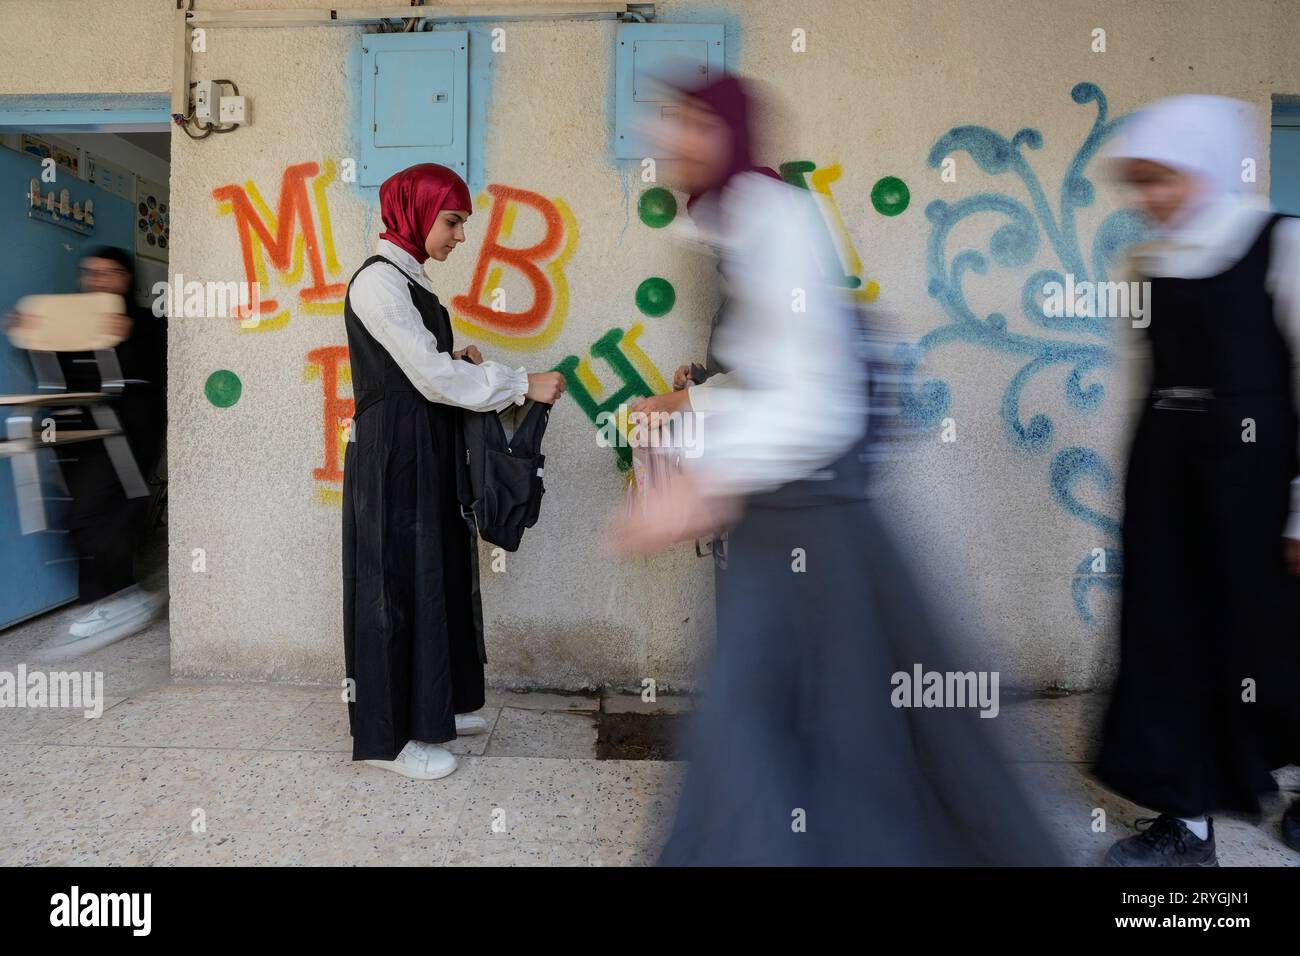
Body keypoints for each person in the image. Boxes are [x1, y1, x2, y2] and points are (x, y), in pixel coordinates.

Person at [612, 76, 1062, 866]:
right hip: (783, 521)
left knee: (816, 728)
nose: (673, 147)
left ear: (732, 134)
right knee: (784, 723)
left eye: (693, 128)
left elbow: (817, 402)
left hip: (810, 522)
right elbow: (774, 381)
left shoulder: (773, 221)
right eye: (670, 129)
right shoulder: (733, 225)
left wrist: (705, 479)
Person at [1095, 95, 1300, 865]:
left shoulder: (1282, 245)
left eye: (1164, 178)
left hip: (1260, 473)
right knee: (1168, 637)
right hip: (1169, 472)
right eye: (1140, 182)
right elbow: (1152, 373)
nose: (1150, 199)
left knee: (1273, 636)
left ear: (1208, 165)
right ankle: (1188, 824)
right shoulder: (1148, 260)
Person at [342, 163, 565, 780]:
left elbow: (428, 365)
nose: (460, 236)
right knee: (394, 587)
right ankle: (389, 739)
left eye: (463, 223)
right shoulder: (380, 283)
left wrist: (456, 353)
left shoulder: (409, 279)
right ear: (414, 213)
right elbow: (432, 379)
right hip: (394, 458)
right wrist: (520, 383)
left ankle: (432, 707)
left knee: (433, 573)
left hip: (423, 451)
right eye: (452, 221)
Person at [45, 245, 168, 652]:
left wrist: (125, 337)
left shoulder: (148, 324)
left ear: (126, 279)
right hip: (79, 434)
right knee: (81, 517)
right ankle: (111, 600)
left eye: (108, 273)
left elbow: (160, 377)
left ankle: (112, 601)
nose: (98, 281)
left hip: (128, 433)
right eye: (90, 273)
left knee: (104, 516)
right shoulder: (74, 324)